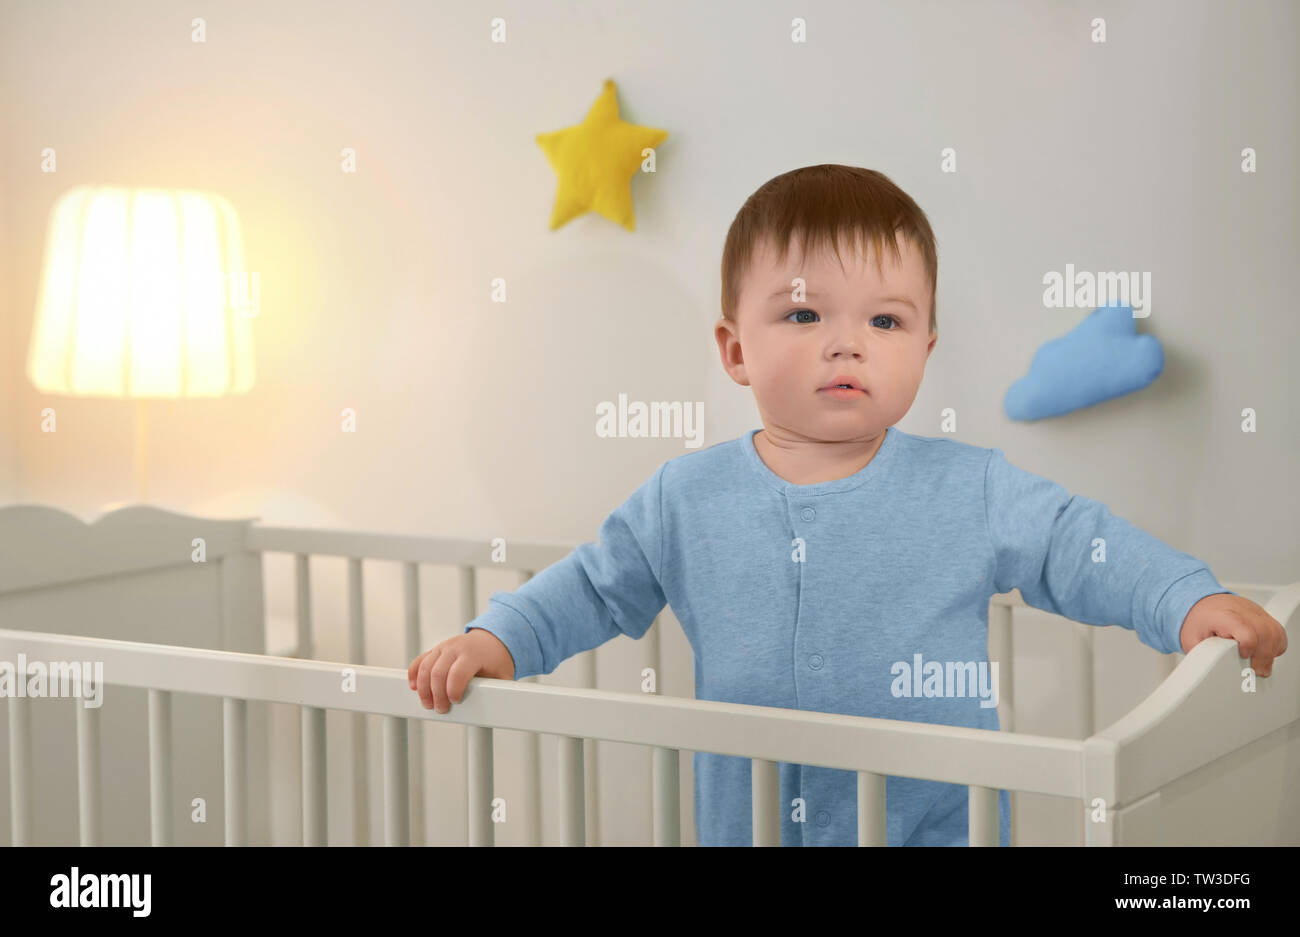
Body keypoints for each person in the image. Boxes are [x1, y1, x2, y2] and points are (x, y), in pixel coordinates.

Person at [408, 164, 1287, 846]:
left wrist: (1183, 598)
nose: (845, 343)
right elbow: (593, 587)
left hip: (935, 830)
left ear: (926, 347)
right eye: (802, 316)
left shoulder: (968, 488)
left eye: (886, 322)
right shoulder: (686, 497)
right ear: (735, 348)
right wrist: (498, 639)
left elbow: (1080, 546)